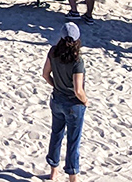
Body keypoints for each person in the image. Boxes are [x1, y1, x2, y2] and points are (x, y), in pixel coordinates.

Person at [42, 22, 88, 181]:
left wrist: (57, 86)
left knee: (56, 134)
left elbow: (45, 74)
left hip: (57, 99)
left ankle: (53, 172)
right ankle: (72, 177)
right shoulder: (77, 61)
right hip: (73, 104)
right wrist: (85, 101)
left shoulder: (53, 52)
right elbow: (78, 90)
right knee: (73, 141)